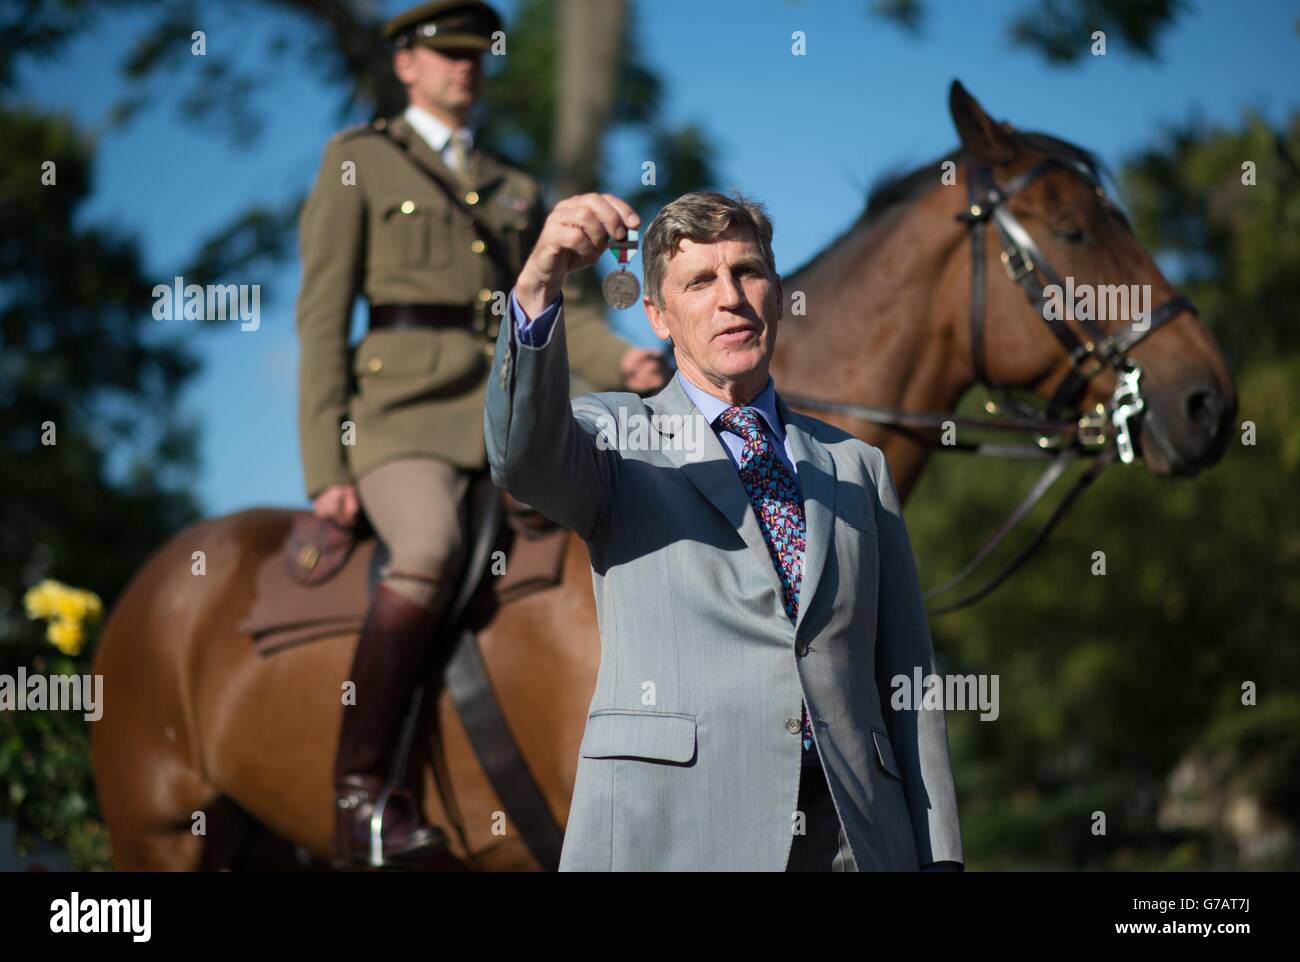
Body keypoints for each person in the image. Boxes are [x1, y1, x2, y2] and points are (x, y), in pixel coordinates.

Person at [485, 189, 965, 870]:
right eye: (700, 281)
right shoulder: (617, 438)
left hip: (856, 843)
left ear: (776, 292)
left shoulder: (859, 468)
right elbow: (521, 456)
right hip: (674, 834)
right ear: (657, 315)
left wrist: (939, 857)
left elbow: (909, 680)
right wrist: (538, 284)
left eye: (748, 272)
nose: (731, 297)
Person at [295, 0, 665, 867]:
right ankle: (360, 797)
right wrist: (325, 464)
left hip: (507, 417)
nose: (467, 67)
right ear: (406, 65)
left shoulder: (513, 186)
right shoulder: (358, 162)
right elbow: (320, 319)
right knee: (427, 547)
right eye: (447, 54)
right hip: (402, 423)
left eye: (477, 54)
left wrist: (629, 366)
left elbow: (564, 305)